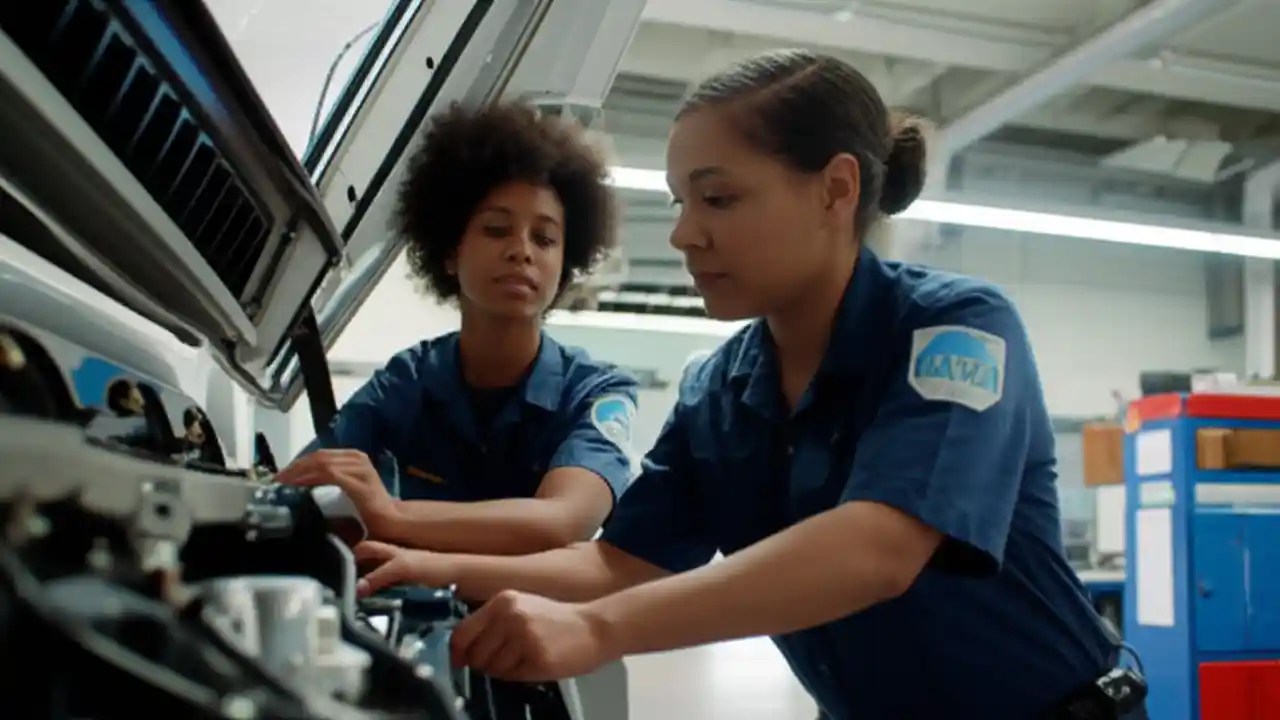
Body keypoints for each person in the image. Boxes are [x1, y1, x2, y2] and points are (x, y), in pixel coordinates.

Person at [352, 51, 1143, 719]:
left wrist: (600, 632)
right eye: (680, 201)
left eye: (718, 197)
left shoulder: (954, 331)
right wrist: (426, 565)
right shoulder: (719, 391)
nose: (683, 232)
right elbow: (618, 564)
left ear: (835, 190)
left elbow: (877, 549)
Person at [277, 102, 639, 557]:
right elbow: (307, 481)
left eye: (544, 239)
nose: (521, 251)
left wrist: (391, 515)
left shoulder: (597, 393)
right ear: (450, 252)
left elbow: (560, 523)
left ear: (564, 266)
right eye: (496, 229)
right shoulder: (408, 380)